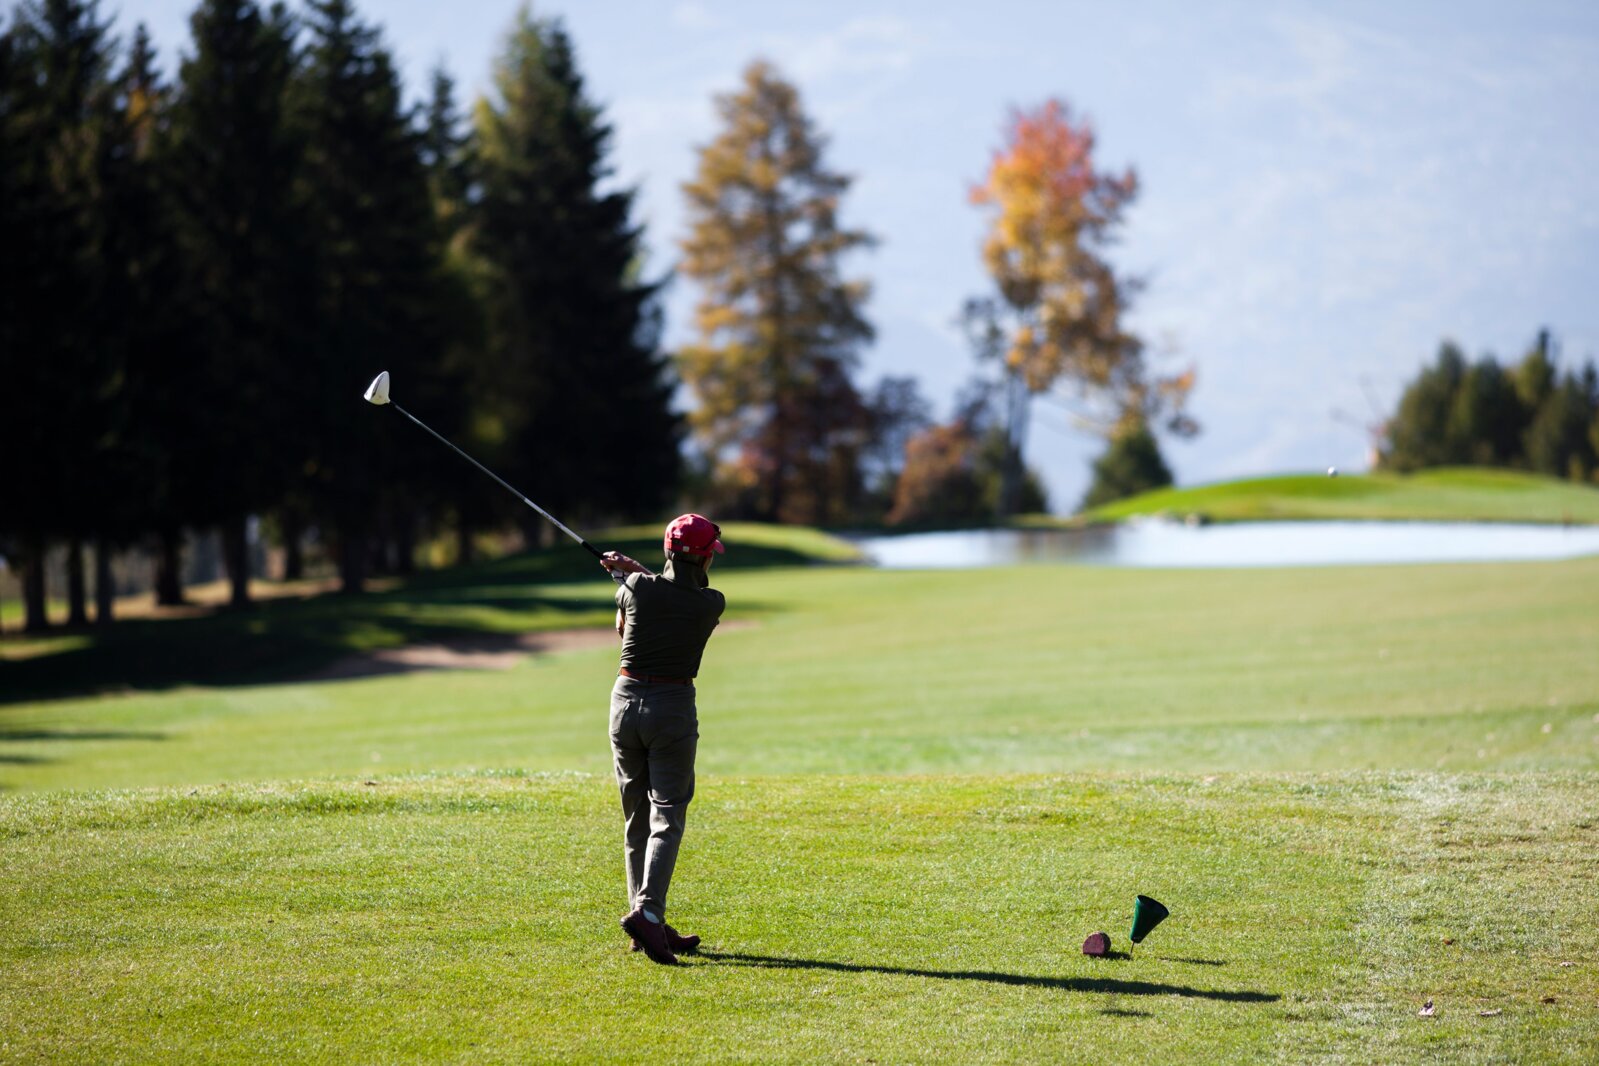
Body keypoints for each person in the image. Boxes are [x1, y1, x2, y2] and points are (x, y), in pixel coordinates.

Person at [599, 513, 726, 965]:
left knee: (636, 817)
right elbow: (672, 593)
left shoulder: (635, 588)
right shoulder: (712, 602)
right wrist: (637, 573)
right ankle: (648, 913)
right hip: (671, 708)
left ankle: (644, 918)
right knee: (666, 815)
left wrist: (632, 573)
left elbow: (623, 625)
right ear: (707, 557)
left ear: (668, 551)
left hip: (624, 701)